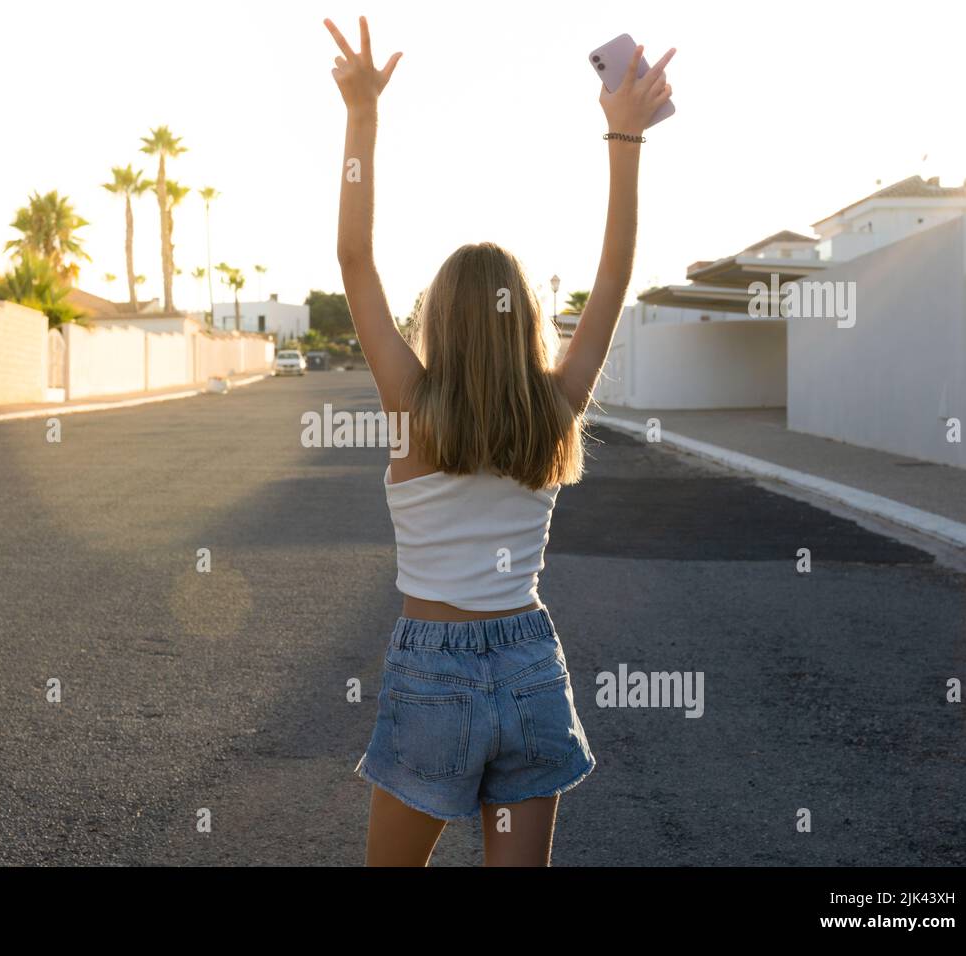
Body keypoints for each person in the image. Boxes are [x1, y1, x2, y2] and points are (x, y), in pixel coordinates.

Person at [325, 16, 675, 866]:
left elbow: (354, 258)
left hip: (432, 672)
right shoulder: (555, 405)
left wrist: (362, 116)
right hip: (527, 662)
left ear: (436, 320)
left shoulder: (411, 404)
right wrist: (623, 135)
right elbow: (617, 273)